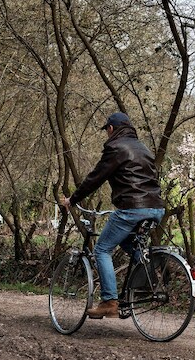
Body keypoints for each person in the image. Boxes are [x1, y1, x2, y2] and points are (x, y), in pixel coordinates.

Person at [61, 112, 164, 319]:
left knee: (101, 250)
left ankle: (109, 301)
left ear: (110, 129)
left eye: (106, 131)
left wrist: (72, 199)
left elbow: (95, 178)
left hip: (132, 208)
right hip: (157, 208)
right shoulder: (143, 148)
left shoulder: (115, 147)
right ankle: (146, 284)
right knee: (130, 244)